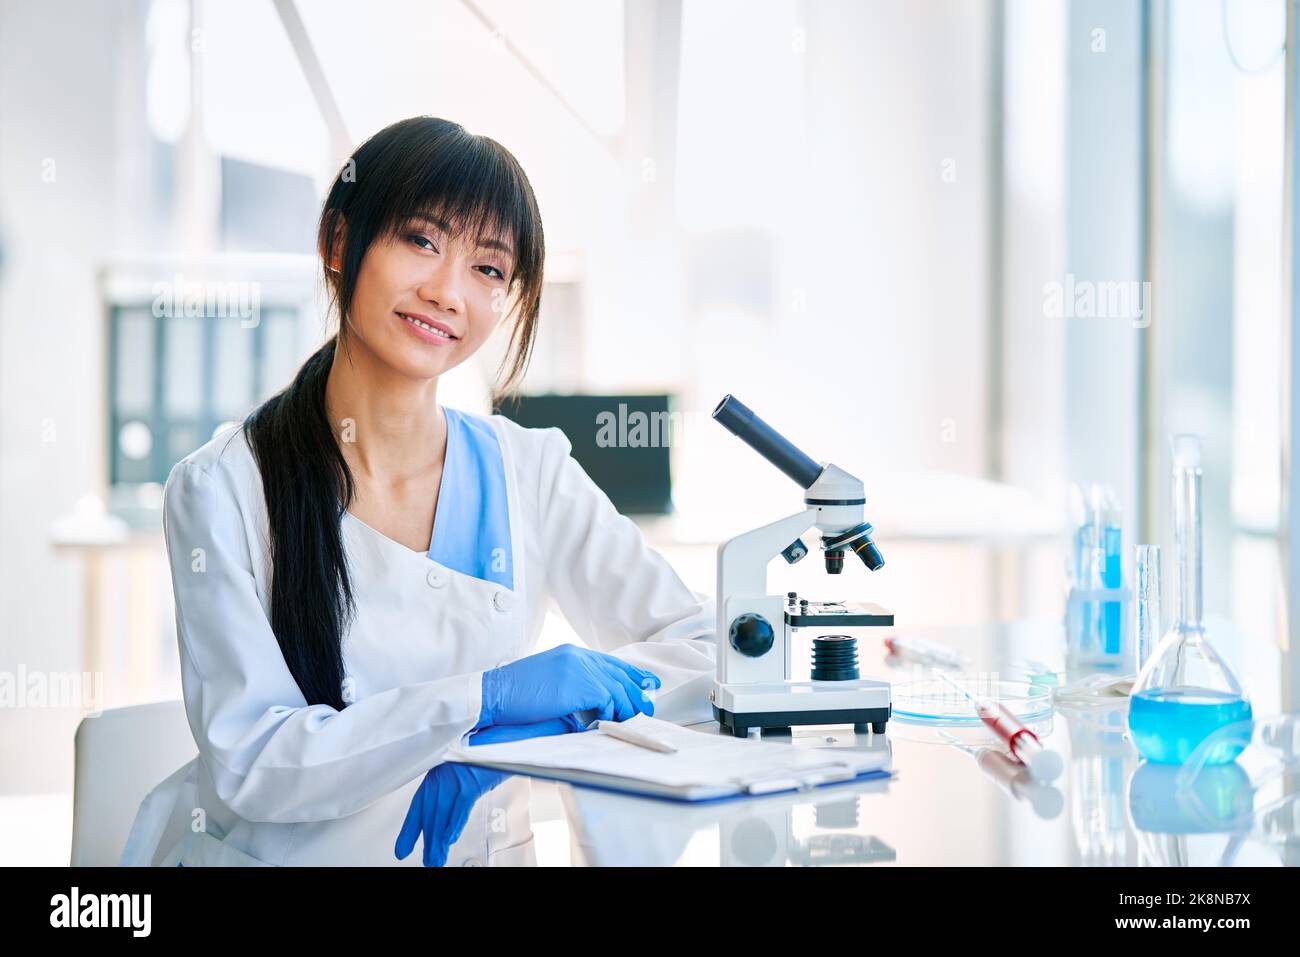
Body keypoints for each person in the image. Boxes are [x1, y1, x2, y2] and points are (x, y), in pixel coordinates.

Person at [119, 117, 716, 867]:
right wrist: (480, 704)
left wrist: (532, 735)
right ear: (340, 243)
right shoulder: (222, 489)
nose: (447, 291)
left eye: (488, 269)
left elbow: (708, 648)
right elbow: (255, 763)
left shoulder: (528, 472)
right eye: (422, 241)